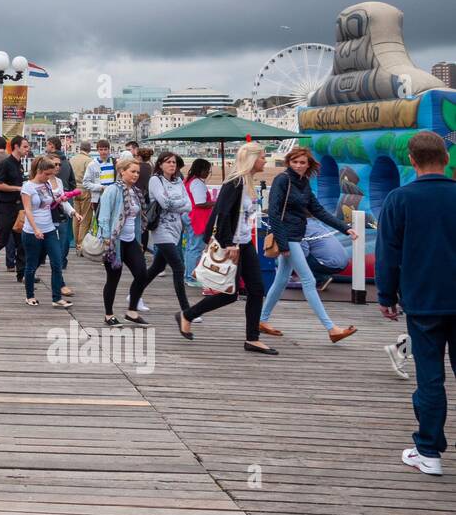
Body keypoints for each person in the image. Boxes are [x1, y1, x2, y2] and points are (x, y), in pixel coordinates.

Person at [375, 130, 456, 475]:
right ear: (447, 159)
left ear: (411, 160)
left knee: (430, 378)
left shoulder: (400, 199)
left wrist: (386, 295)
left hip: (423, 300)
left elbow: (387, 253)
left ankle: (429, 453)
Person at [175, 142, 277, 356]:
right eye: (262, 157)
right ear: (251, 159)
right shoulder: (235, 182)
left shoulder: (247, 182)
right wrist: (228, 243)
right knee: (230, 293)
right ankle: (188, 314)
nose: (265, 161)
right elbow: (221, 214)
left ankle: (252, 338)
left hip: (243, 243)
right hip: (234, 244)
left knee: (256, 289)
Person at [258, 146, 358, 342]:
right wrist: (283, 243)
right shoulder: (282, 180)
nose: (298, 165)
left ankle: (261, 319)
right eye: (294, 161)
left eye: (302, 162)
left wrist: (344, 228)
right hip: (288, 237)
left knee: (281, 279)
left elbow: (319, 211)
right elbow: (274, 214)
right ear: (288, 162)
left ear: (308, 165)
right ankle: (331, 329)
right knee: (309, 281)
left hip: (296, 235)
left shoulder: (304, 183)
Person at [96, 157, 150, 326]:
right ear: (122, 171)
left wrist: (139, 240)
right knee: (113, 278)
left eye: (137, 172)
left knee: (142, 274)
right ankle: (108, 314)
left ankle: (132, 311)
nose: (135, 175)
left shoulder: (135, 192)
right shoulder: (112, 190)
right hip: (114, 241)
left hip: (131, 239)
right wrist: (106, 239)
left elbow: (137, 220)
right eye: (132, 171)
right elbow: (103, 216)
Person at [143, 152, 193, 312]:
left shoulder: (179, 181)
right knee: (178, 267)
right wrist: (179, 203)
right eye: (168, 162)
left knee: (156, 268)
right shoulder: (155, 180)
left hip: (176, 229)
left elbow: (189, 205)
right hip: (161, 229)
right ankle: (187, 311)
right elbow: (164, 204)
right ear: (160, 164)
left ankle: (134, 295)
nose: (172, 165)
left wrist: (176, 203)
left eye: (174, 162)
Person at [18, 157, 70, 308]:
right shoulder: (27, 187)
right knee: (31, 265)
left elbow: (51, 203)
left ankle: (56, 297)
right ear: (39, 171)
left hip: (49, 229)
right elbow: (27, 209)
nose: (49, 177)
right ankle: (30, 295)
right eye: (47, 174)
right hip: (32, 231)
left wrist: (61, 200)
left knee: (57, 262)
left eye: (50, 174)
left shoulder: (46, 184)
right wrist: (35, 229)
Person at [0, 136, 27, 280]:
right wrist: (18, 188)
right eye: (25, 146)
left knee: (22, 241)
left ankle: (22, 273)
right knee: (1, 239)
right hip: (6, 206)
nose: (27, 149)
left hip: (19, 206)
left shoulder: (20, 164)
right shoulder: (5, 164)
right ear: (16, 147)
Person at [183, 158, 213, 286]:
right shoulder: (197, 183)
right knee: (196, 247)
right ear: (201, 170)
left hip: (191, 216)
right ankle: (191, 276)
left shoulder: (189, 181)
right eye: (207, 170)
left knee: (191, 247)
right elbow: (200, 202)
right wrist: (215, 203)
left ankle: (188, 274)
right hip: (197, 218)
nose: (208, 173)